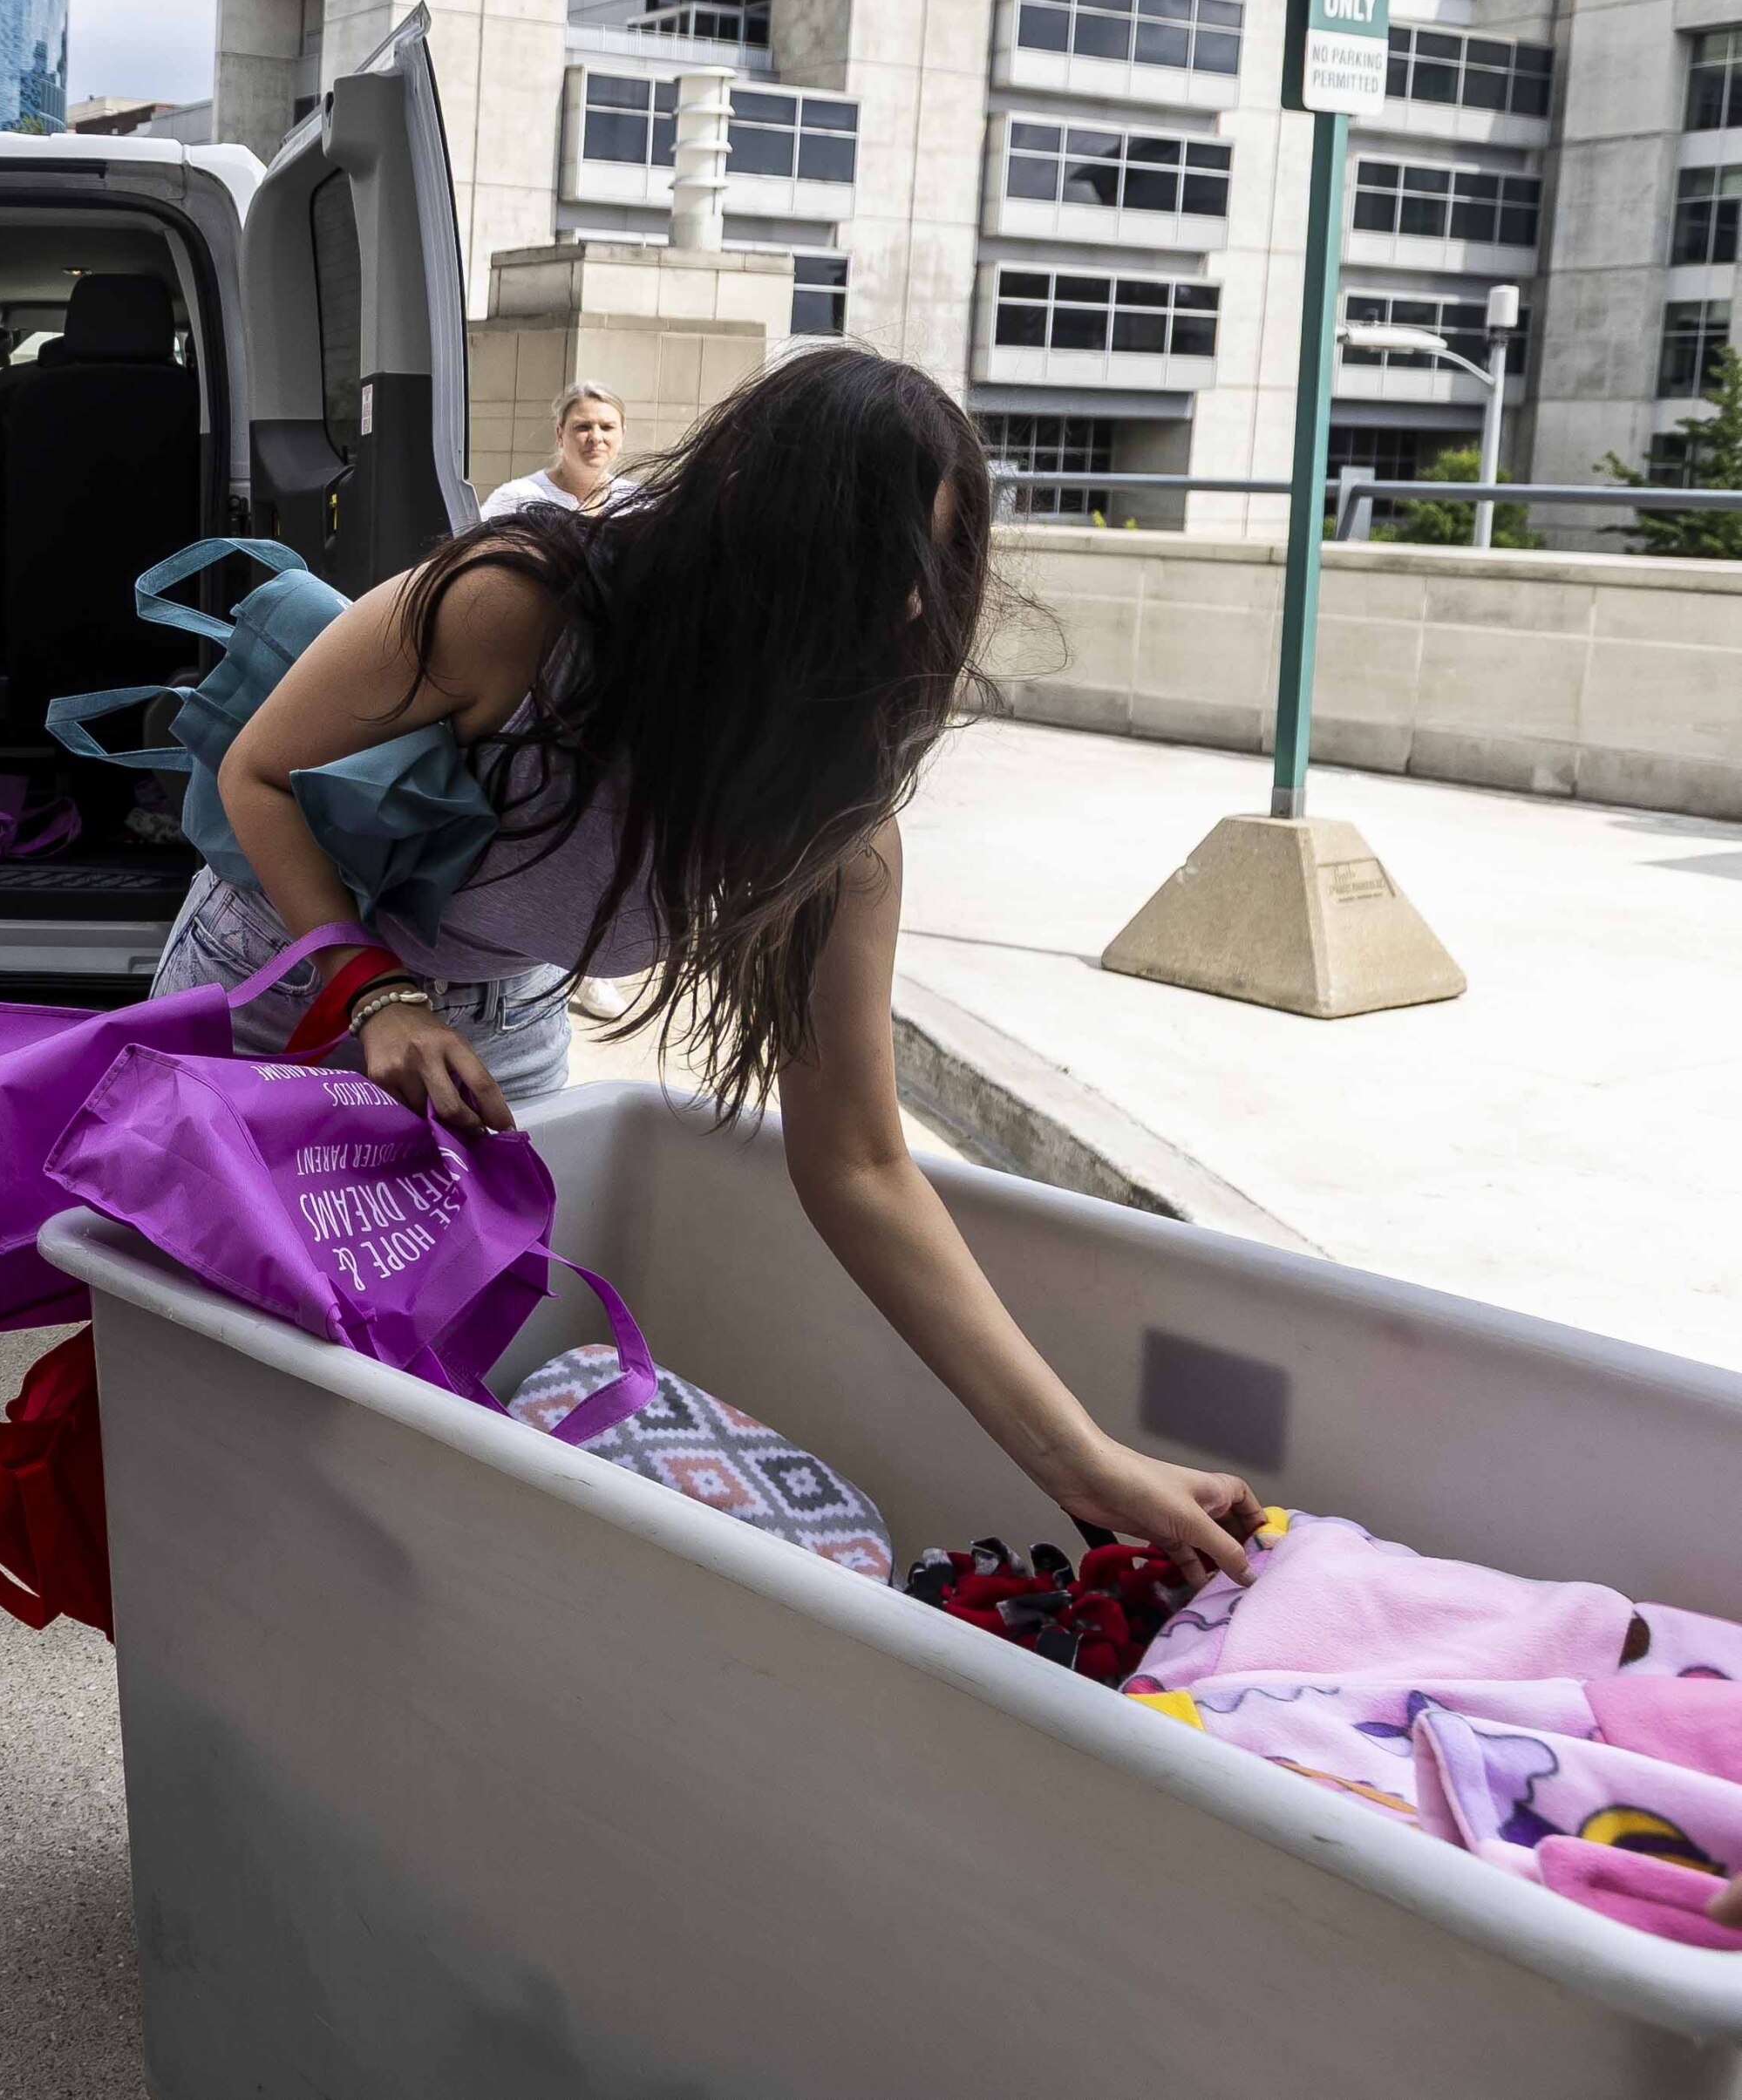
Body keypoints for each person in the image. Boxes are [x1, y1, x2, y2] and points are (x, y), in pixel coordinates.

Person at [153, 343, 1262, 1585]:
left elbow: (859, 1159)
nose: (859, 632)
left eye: (902, 590)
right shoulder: (519, 604)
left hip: (498, 1028)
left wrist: (1084, 1463)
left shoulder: (836, 813)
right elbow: (260, 771)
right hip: (290, 974)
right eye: (827, 581)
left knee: (411, 1423)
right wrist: (375, 991)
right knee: (220, 1393)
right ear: (730, 528)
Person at [480, 380, 631, 521]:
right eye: (583, 427)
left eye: (607, 427)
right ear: (560, 434)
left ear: (622, 435)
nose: (596, 437)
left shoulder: (634, 504)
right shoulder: (516, 498)